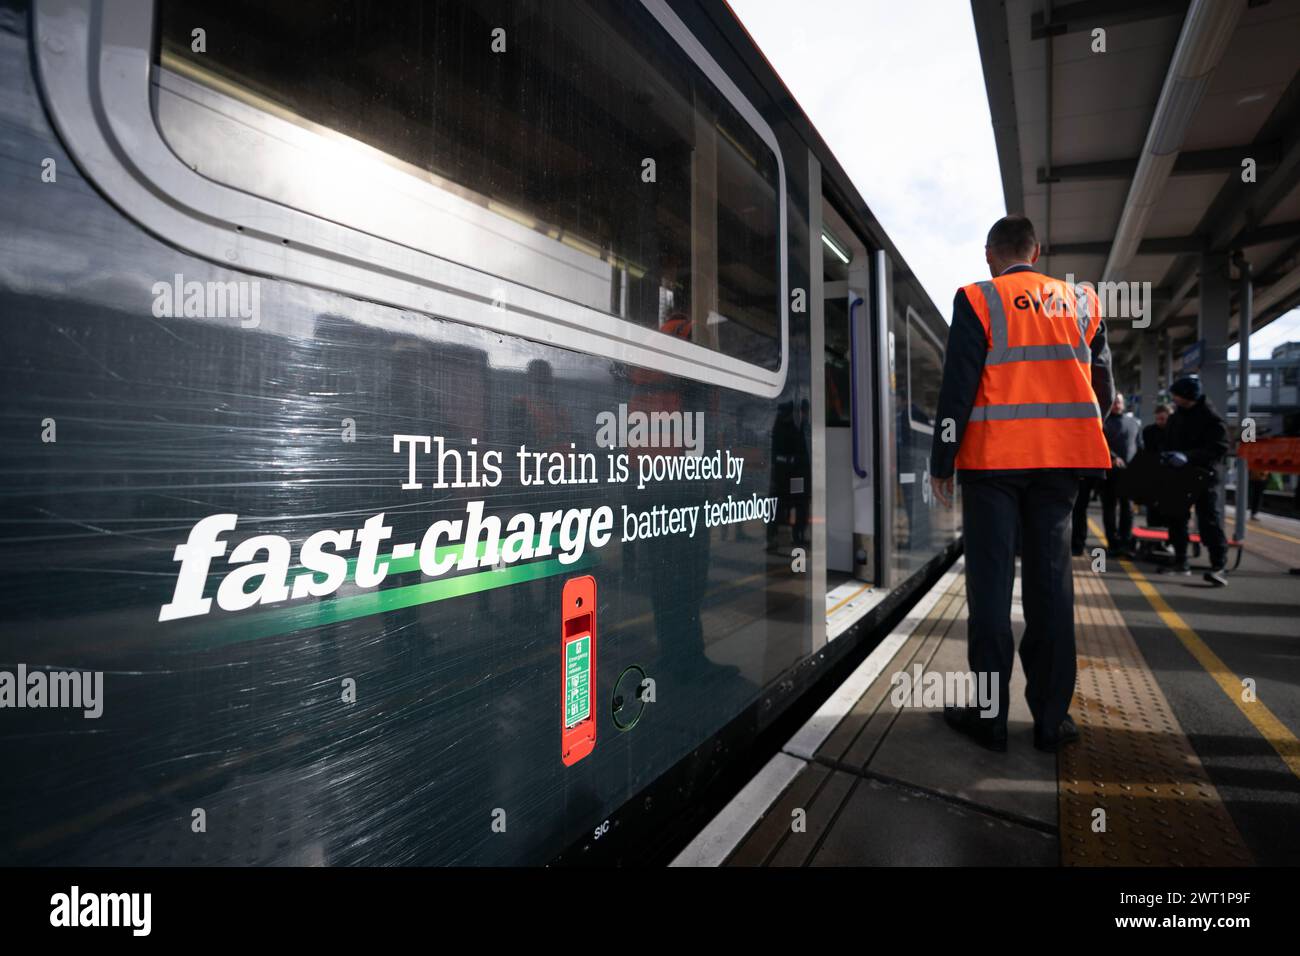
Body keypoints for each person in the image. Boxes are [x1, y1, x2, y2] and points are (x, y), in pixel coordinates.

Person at [930, 215, 1113, 754]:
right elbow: (1101, 380)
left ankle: (989, 717)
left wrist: (942, 459)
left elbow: (958, 384)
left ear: (991, 254)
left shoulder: (978, 298)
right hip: (1060, 465)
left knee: (989, 586)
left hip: (993, 465)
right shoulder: (1082, 303)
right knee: (1051, 585)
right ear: (1039, 250)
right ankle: (1051, 720)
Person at [1157, 375, 1230, 586]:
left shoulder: (1212, 418)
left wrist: (1188, 456)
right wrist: (1166, 454)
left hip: (1204, 476)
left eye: (1176, 395)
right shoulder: (1176, 416)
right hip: (1179, 476)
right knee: (1176, 517)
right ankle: (1181, 562)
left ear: (1187, 396)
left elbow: (1220, 448)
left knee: (1209, 520)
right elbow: (1166, 439)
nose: (1174, 399)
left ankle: (1219, 566)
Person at [1100, 394, 1142, 555]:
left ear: (1123, 404)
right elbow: (1100, 443)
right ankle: (1112, 542)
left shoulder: (1133, 423)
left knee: (1128, 509)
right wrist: (1113, 457)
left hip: (1129, 474)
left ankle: (1126, 541)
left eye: (1119, 401)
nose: (1117, 404)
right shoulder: (1103, 422)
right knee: (1109, 508)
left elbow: (1139, 445)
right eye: (1114, 401)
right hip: (1109, 474)